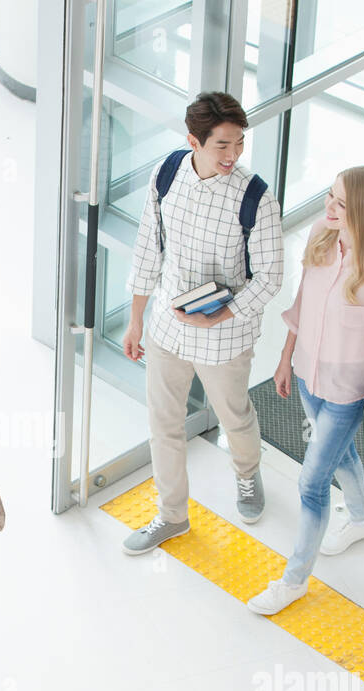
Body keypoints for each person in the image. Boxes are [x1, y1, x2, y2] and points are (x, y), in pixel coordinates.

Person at [121, 91, 284, 555]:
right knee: (163, 424)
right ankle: (171, 515)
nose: (233, 155)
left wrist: (225, 312)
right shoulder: (168, 172)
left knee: (235, 417)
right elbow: (148, 247)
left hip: (226, 336)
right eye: (222, 145)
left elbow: (270, 276)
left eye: (239, 144)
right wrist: (136, 319)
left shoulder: (256, 198)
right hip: (168, 327)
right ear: (193, 140)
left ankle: (248, 476)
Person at [247, 167, 364, 615]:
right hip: (306, 375)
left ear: (363, 209)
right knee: (341, 453)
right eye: (329, 197)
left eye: (340, 202)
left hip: (347, 391)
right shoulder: (322, 236)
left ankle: (294, 579)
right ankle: (362, 518)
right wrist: (285, 358)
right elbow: (303, 307)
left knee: (312, 481)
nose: (329, 208)